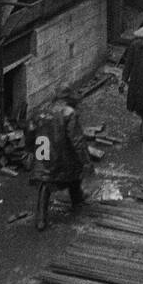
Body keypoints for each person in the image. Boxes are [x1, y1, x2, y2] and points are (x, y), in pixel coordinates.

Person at [30, 88, 91, 229]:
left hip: (43, 152)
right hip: (61, 153)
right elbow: (77, 140)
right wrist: (86, 161)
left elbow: (30, 130)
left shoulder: (41, 111)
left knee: (44, 183)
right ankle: (77, 201)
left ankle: (41, 219)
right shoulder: (69, 113)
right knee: (75, 171)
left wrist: (30, 148)